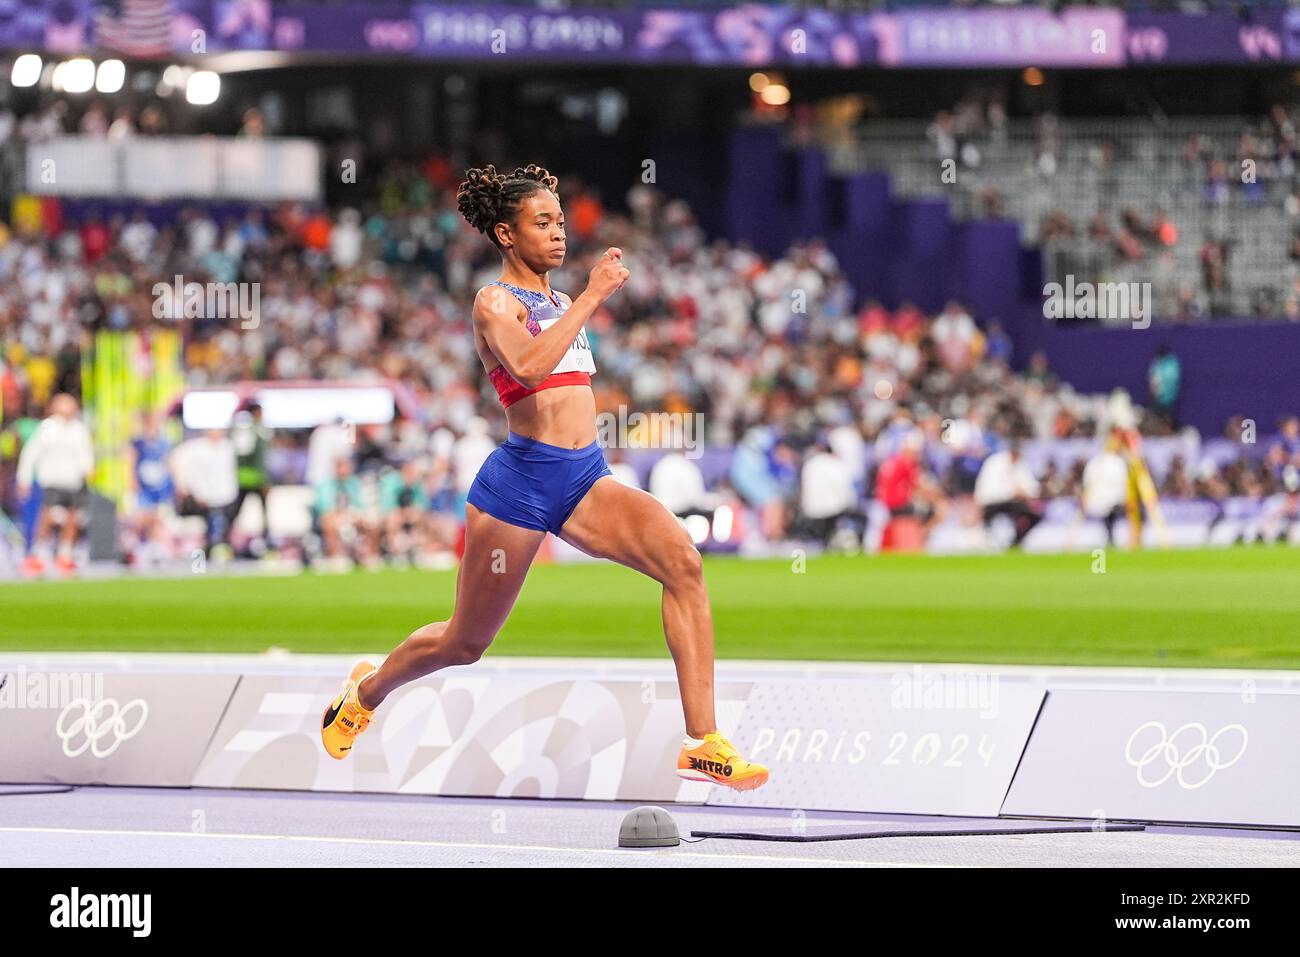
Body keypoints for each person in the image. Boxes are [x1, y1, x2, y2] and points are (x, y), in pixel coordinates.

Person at [321, 163, 768, 790]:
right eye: (543, 223)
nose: (559, 233)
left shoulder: (558, 303)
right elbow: (529, 368)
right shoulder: (494, 301)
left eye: (560, 222)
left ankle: (703, 742)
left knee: (683, 563)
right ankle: (365, 693)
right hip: (520, 485)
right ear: (506, 234)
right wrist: (593, 295)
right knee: (464, 643)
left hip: (585, 479)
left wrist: (580, 302)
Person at [15, 393, 94, 576]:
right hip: (52, 480)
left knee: (73, 518)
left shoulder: (79, 430)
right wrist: (24, 478)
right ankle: (38, 555)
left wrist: (88, 469)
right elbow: (30, 454)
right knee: (47, 517)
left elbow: (85, 453)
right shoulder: (48, 428)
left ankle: (65, 556)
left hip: (73, 482)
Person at [974, 439, 1043, 548]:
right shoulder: (994, 463)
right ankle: (989, 542)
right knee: (990, 520)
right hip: (992, 503)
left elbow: (1032, 488)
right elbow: (988, 491)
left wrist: (1023, 493)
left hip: (1012, 503)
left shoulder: (1020, 463)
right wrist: (1014, 492)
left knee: (1034, 515)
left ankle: (1015, 543)